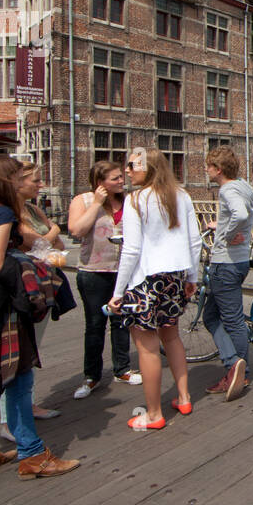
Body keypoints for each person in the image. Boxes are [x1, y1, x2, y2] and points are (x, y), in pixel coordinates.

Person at [0, 153, 78, 479]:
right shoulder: (1, 214)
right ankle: (33, 455)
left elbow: (31, 244)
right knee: (19, 378)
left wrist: (41, 241)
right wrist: (30, 266)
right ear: (4, 180)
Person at [108, 148, 202, 430]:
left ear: (147, 168)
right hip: (174, 275)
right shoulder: (181, 195)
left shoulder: (136, 199)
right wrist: (192, 276)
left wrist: (118, 290)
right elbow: (195, 240)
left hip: (146, 278)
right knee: (171, 337)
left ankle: (153, 414)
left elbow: (132, 249)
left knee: (147, 348)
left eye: (132, 166)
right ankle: (184, 397)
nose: (127, 171)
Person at [0, 161, 64, 442]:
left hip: (41, 284)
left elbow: (57, 244)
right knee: (13, 353)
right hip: (19, 287)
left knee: (31, 348)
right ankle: (8, 420)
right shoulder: (8, 214)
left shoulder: (32, 209)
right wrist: (52, 231)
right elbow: (37, 240)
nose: (40, 185)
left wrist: (49, 236)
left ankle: (27, 405)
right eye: (35, 180)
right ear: (17, 183)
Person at [68, 160, 136, 398]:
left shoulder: (129, 202)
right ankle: (91, 376)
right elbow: (76, 231)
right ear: (100, 183)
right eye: (115, 178)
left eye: (121, 177)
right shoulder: (83, 201)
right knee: (95, 324)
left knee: (121, 322)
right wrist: (97, 203)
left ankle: (122, 368)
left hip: (123, 271)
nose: (121, 181)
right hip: (93, 270)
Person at [202, 146, 253, 400]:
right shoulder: (244, 186)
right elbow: (244, 213)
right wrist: (221, 224)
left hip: (225, 264)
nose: (206, 170)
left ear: (218, 170)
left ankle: (235, 368)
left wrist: (224, 234)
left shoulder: (227, 189)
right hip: (242, 259)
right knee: (213, 315)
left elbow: (240, 213)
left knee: (227, 320)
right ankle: (237, 366)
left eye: (209, 166)